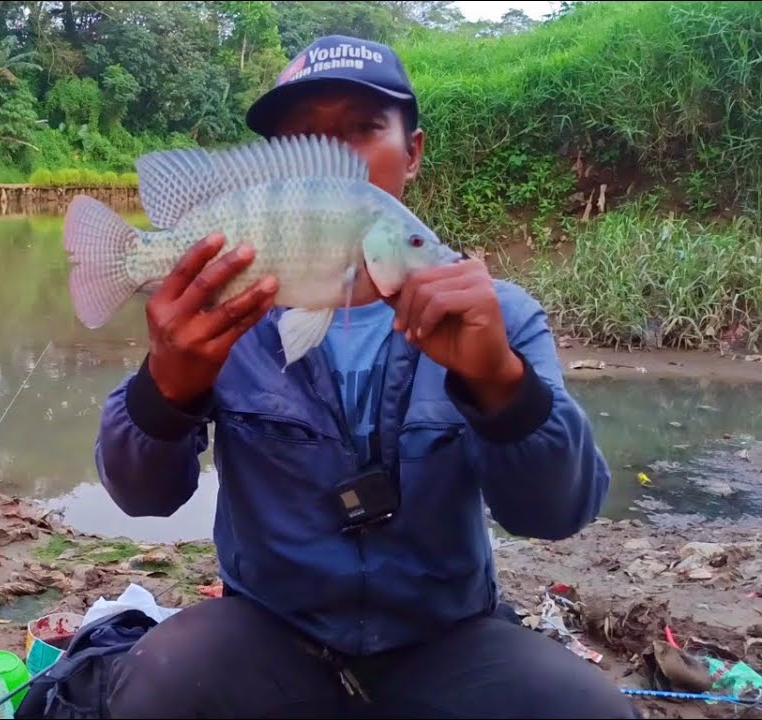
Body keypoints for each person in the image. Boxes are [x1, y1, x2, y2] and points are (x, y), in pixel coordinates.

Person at [92, 34, 639, 718]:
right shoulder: (226, 317)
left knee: (589, 709)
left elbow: (555, 514)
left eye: (363, 128)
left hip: (445, 638)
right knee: (156, 685)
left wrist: (501, 382)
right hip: (269, 630)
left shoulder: (495, 318)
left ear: (413, 152)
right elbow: (141, 498)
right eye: (306, 138)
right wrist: (164, 389)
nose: (340, 157)